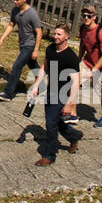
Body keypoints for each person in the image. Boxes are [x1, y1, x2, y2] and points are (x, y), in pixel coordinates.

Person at [28, 24, 81, 166]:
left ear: (67, 37)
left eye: (59, 34)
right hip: (51, 91)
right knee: (56, 121)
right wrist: (37, 84)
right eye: (55, 34)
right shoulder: (50, 49)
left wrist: (70, 103)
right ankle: (74, 136)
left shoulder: (71, 57)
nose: (56, 37)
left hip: (63, 94)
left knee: (50, 123)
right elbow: (45, 66)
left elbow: (76, 81)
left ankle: (49, 155)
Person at [0, 0, 43, 102]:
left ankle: (8, 93)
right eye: (14, 0)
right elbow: (11, 25)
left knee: (17, 65)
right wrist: (2, 39)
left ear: (24, 0)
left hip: (30, 45)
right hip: (22, 44)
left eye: (17, 0)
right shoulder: (15, 11)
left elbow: (39, 32)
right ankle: (42, 85)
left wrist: (36, 50)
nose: (15, 2)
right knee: (33, 66)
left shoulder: (32, 14)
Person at [78, 6, 102, 128]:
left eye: (89, 16)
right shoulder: (83, 29)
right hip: (87, 62)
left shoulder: (101, 33)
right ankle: (70, 112)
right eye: (84, 16)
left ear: (94, 17)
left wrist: (94, 70)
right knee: (73, 82)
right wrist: (78, 60)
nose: (86, 18)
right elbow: (82, 45)